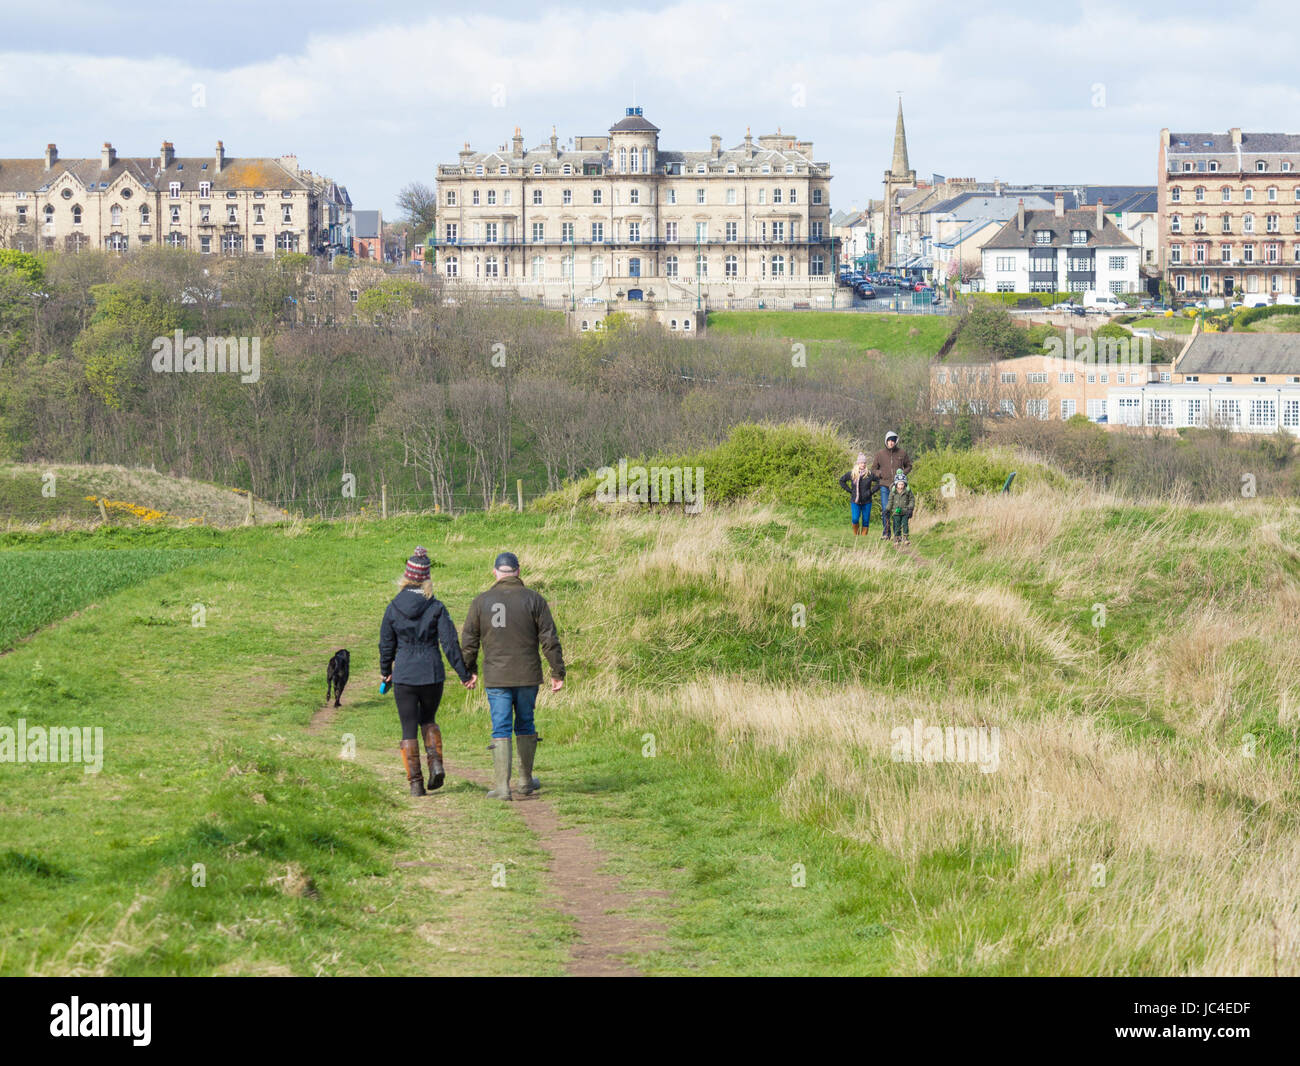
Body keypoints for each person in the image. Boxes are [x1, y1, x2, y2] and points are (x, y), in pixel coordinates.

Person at [461, 551, 565, 801]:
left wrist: (469, 670)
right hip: (528, 675)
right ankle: (526, 781)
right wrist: (557, 671)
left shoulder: (481, 601)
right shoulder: (535, 600)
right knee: (526, 723)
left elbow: (469, 641)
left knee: (501, 726)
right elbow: (549, 639)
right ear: (518, 571)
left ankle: (502, 787)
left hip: (497, 676)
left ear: (495, 572)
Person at [379, 546, 475, 797]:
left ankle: (416, 784)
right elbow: (450, 643)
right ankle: (436, 765)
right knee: (428, 720)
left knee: (408, 727)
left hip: (405, 675)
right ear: (426, 578)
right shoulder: (436, 606)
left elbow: (386, 642)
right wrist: (464, 674)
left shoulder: (393, 607)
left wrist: (385, 670)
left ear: (405, 576)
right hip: (432, 673)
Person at [871, 431, 913, 540]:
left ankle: (897, 534)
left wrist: (902, 474)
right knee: (886, 509)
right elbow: (873, 469)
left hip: (898, 487)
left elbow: (909, 466)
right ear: (886, 441)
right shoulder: (880, 454)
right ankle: (886, 533)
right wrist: (880, 474)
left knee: (897, 510)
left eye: (893, 441)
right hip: (884, 485)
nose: (891, 443)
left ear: (896, 442)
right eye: (889, 441)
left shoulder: (902, 453)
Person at [839, 453, 879, 537]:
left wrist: (871, 492)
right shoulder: (852, 474)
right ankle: (856, 535)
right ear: (858, 463)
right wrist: (850, 490)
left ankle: (863, 537)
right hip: (855, 501)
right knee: (855, 518)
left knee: (865, 520)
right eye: (861, 463)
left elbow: (879, 482)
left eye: (864, 463)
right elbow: (841, 481)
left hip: (867, 501)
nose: (863, 464)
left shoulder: (869, 474)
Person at [889, 472, 915, 546]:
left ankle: (906, 538)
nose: (901, 486)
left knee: (905, 525)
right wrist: (887, 509)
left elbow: (912, 499)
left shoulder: (908, 491)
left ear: (905, 484)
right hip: (896, 512)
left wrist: (910, 508)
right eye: (899, 484)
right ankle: (897, 538)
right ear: (896, 484)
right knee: (897, 525)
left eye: (902, 484)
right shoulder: (893, 492)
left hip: (905, 512)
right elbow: (890, 501)